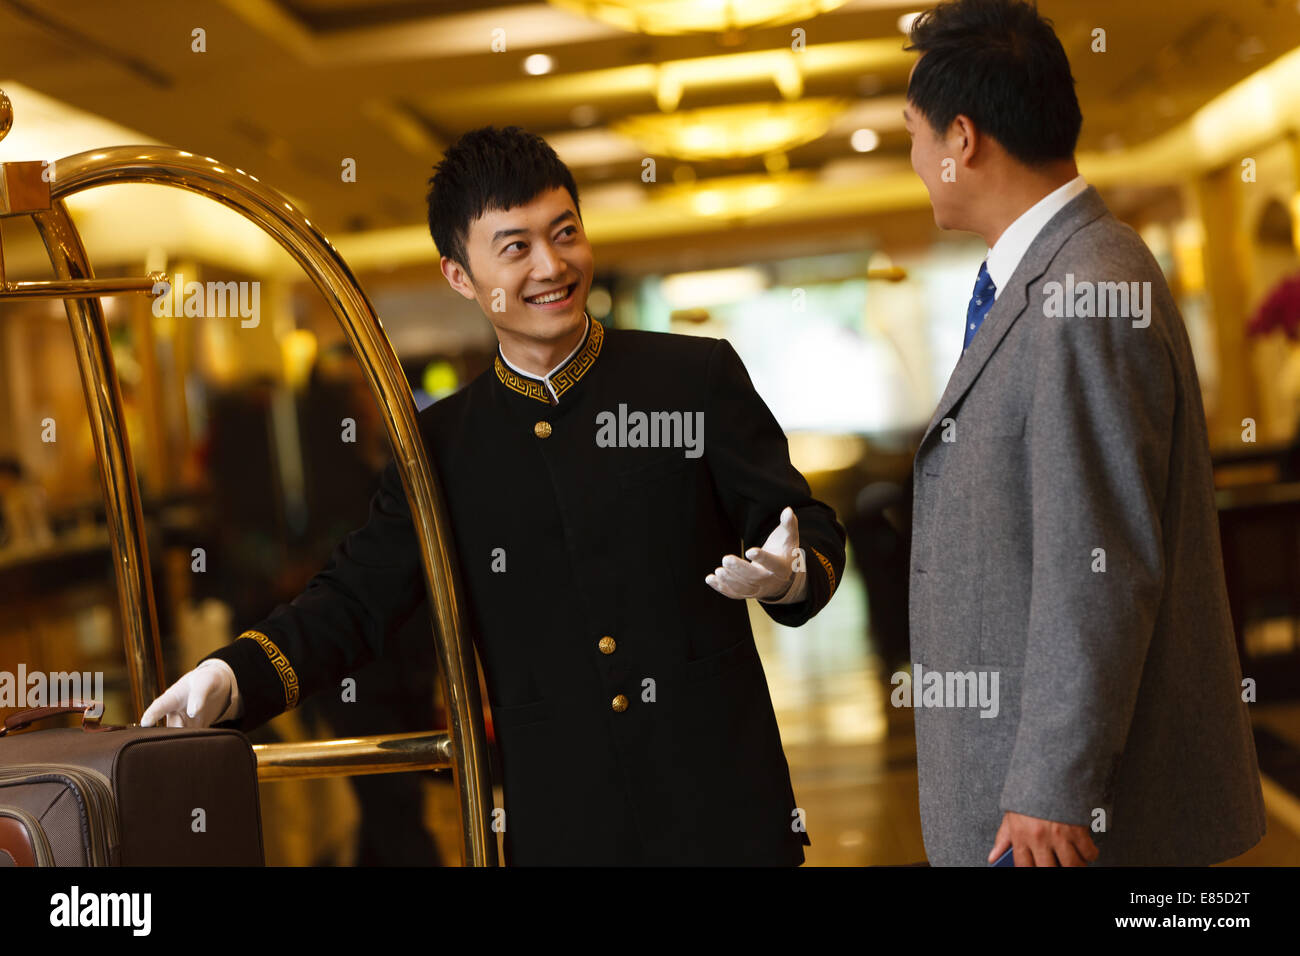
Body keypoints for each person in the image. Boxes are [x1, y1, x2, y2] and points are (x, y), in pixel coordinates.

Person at [142, 125, 847, 866]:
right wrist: (230, 674)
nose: (552, 264)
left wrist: (791, 573)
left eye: (565, 232)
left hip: (724, 805)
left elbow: (805, 525)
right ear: (459, 276)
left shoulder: (691, 378)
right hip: (565, 825)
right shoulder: (440, 446)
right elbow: (355, 599)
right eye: (516, 247)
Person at [901, 0, 1265, 865]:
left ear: (962, 138)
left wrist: (1049, 789)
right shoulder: (1051, 274)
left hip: (1071, 823)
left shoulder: (1085, 289)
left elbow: (1099, 562)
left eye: (913, 134)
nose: (914, 161)